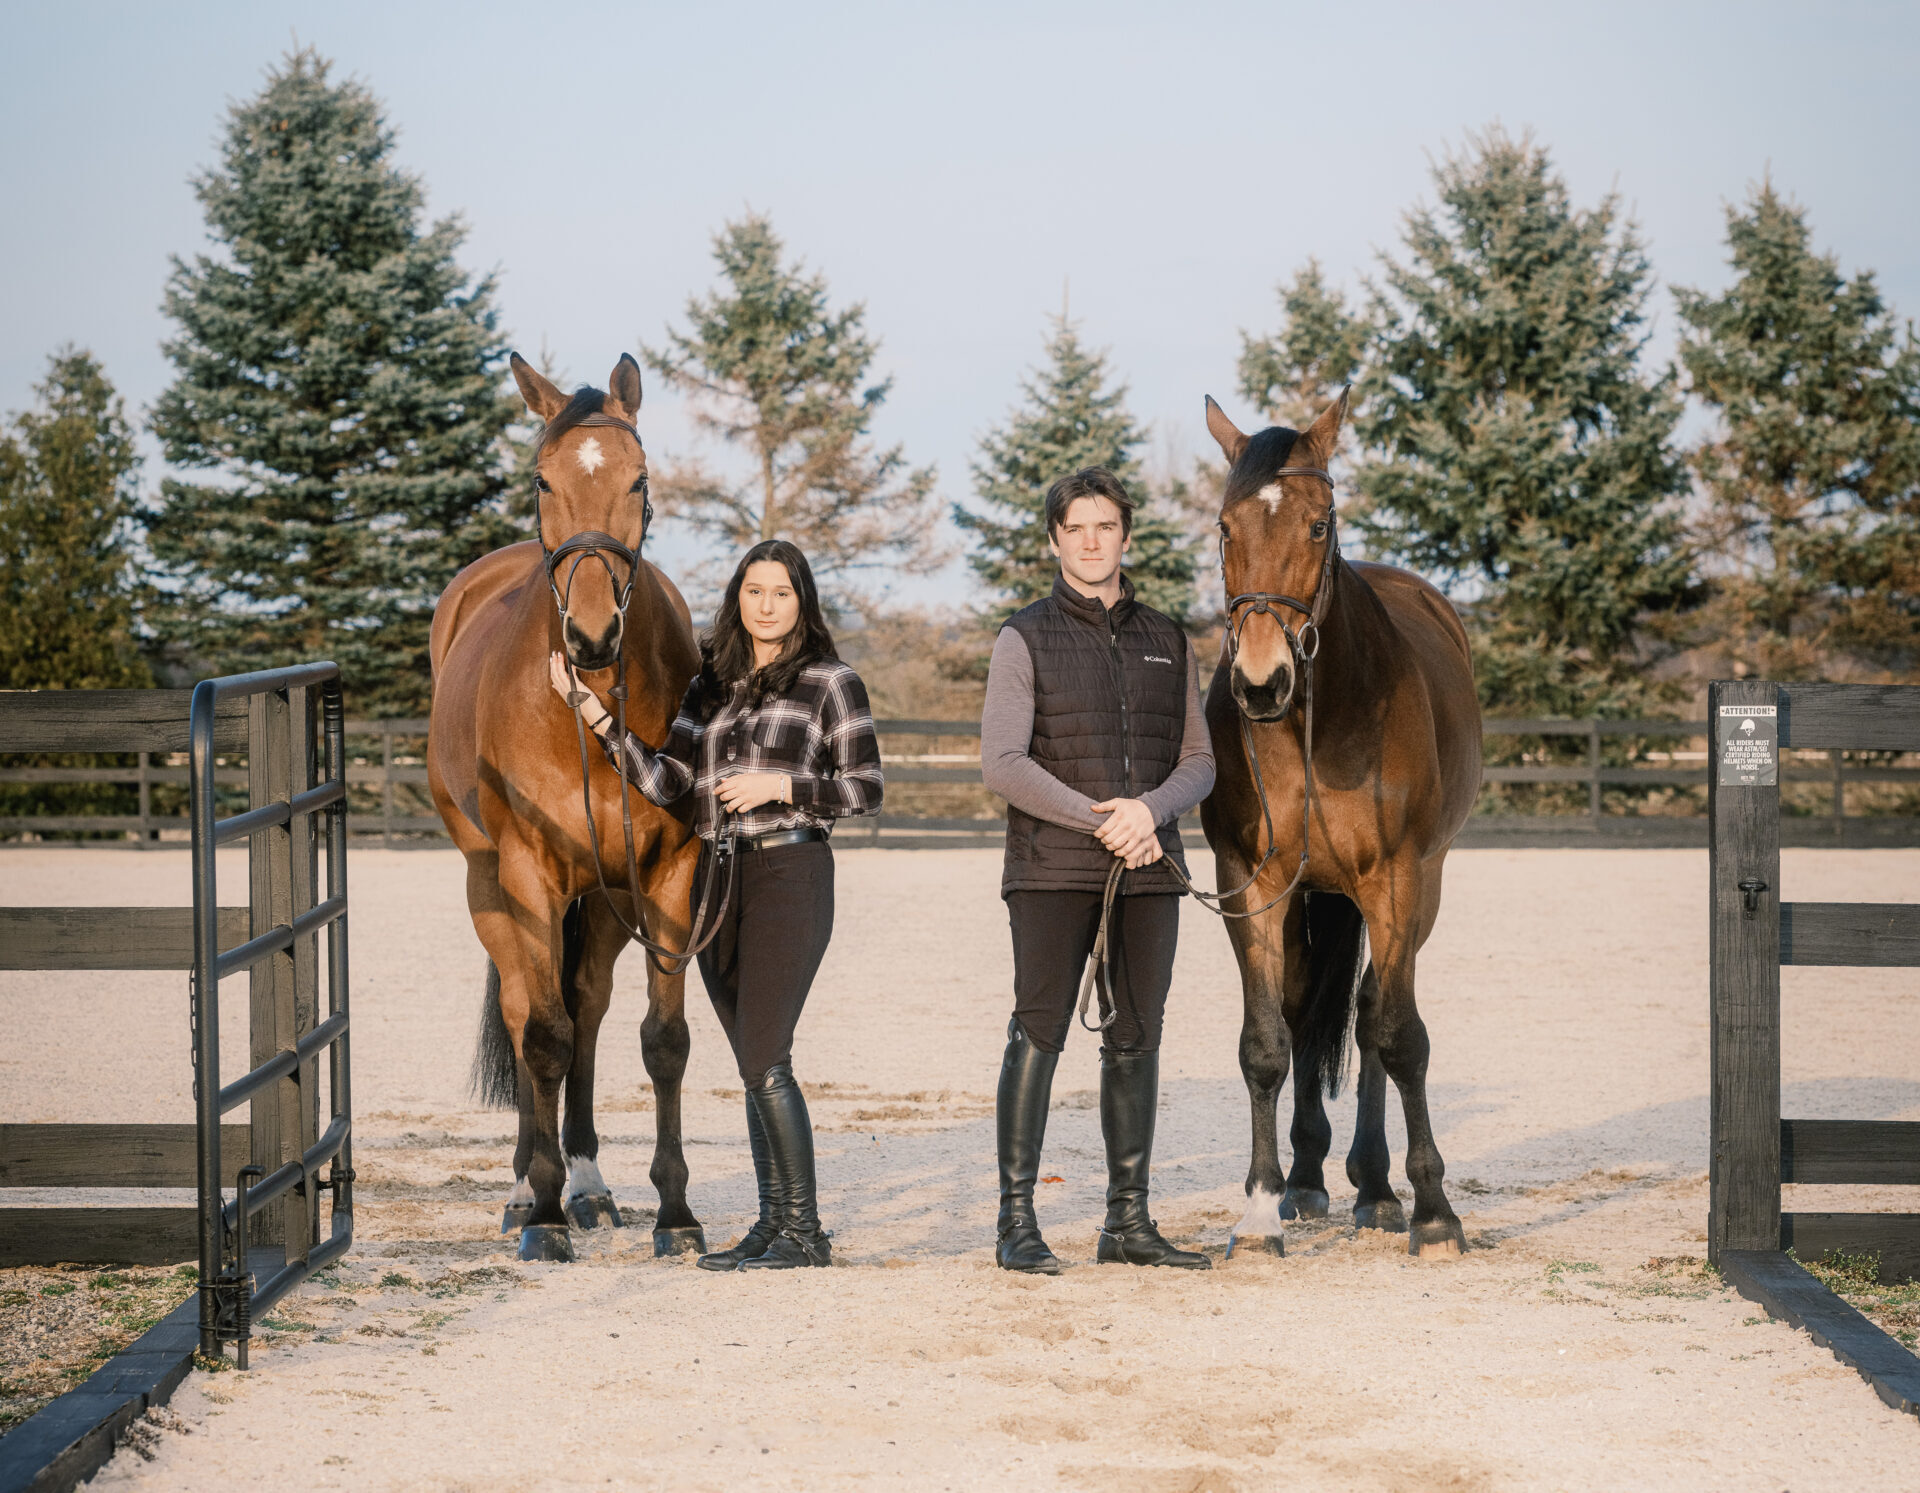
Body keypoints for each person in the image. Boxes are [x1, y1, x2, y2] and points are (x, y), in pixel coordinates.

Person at [549, 538, 882, 1270]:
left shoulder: (832, 681)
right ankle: (771, 1223)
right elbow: (670, 781)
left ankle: (804, 1230)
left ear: (802, 601)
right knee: (751, 1062)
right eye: (754, 591)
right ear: (738, 599)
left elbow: (865, 788)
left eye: (782, 593)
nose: (766, 605)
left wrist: (783, 787)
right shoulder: (715, 684)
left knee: (767, 1054)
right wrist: (600, 720)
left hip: (791, 871)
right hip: (720, 876)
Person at [980, 467, 1216, 1274]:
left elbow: (1198, 760)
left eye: (1104, 526)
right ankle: (1017, 1220)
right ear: (1054, 539)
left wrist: (1148, 813)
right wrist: (1105, 819)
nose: (1090, 540)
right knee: (1038, 1032)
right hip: (1051, 871)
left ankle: (1127, 1221)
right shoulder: (1023, 636)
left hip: (1151, 870)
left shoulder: (1169, 637)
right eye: (1074, 527)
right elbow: (1004, 763)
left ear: (1126, 536)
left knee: (1136, 1037)